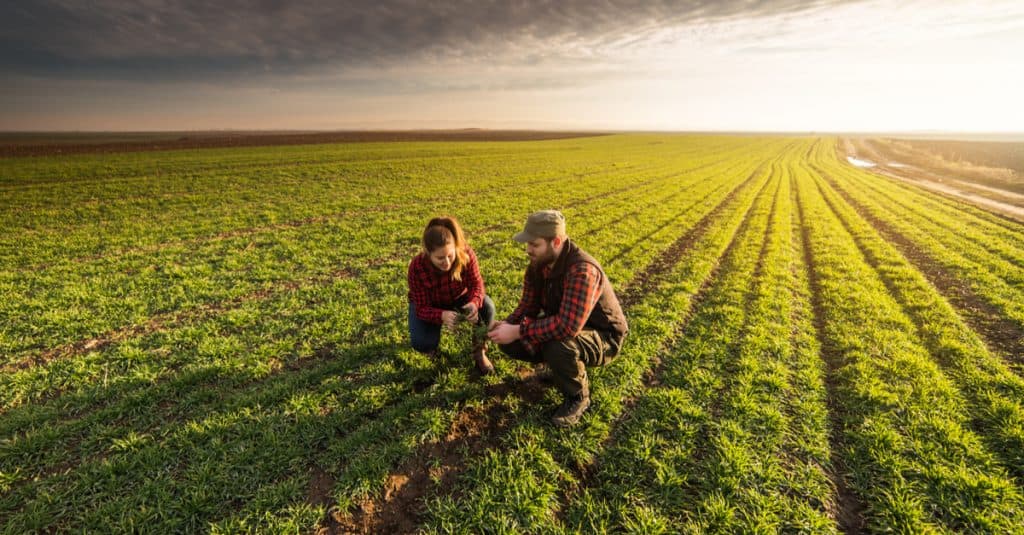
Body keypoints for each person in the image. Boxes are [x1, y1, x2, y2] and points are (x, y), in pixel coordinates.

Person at [488, 210, 628, 427]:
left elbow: (566, 326)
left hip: (603, 336)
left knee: (557, 344)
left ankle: (578, 397)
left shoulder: (582, 270)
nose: (528, 250)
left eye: (534, 245)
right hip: (567, 327)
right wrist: (507, 325)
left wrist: (518, 331)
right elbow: (528, 307)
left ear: (556, 242)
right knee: (511, 344)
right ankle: (559, 370)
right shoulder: (537, 266)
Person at [408, 216, 496, 375]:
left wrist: (474, 303)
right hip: (431, 304)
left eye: (450, 255)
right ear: (428, 253)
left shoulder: (466, 254)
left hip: (458, 297)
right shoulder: (417, 266)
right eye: (440, 258)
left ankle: (479, 351)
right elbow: (421, 308)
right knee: (422, 342)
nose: (447, 263)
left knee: (487, 307)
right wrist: (441, 315)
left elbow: (477, 285)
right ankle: (431, 350)